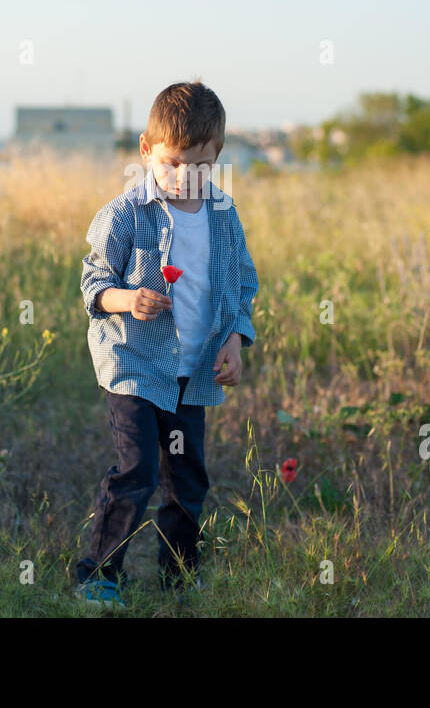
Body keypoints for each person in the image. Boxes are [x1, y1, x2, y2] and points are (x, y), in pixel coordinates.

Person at [74, 79, 258, 608]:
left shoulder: (224, 215)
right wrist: (127, 299)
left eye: (199, 166)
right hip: (133, 361)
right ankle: (98, 573)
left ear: (216, 158)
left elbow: (243, 284)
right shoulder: (127, 213)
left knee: (186, 477)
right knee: (138, 470)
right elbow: (93, 284)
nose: (184, 176)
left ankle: (177, 574)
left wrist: (235, 341)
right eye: (172, 162)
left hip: (192, 369)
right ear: (146, 150)